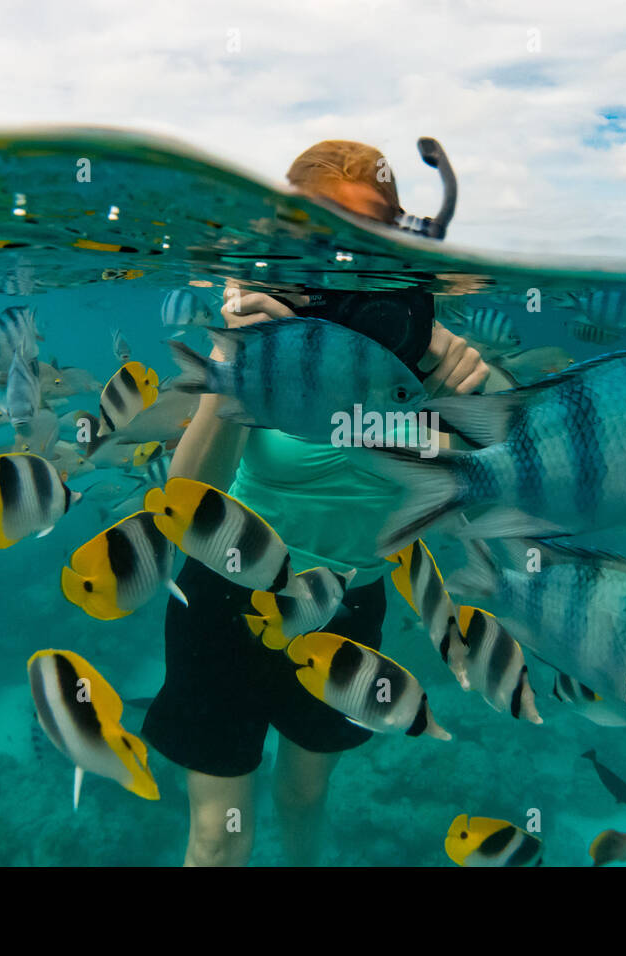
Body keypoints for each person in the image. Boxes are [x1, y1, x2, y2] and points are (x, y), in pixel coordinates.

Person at [142, 140, 489, 866]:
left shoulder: (417, 344)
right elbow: (188, 503)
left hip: (347, 605)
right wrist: (236, 372)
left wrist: (459, 401)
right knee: (215, 834)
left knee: (305, 798)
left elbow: (465, 500)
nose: (349, 260)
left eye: (374, 232)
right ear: (287, 238)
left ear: (402, 235)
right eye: (324, 231)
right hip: (223, 600)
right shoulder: (268, 330)